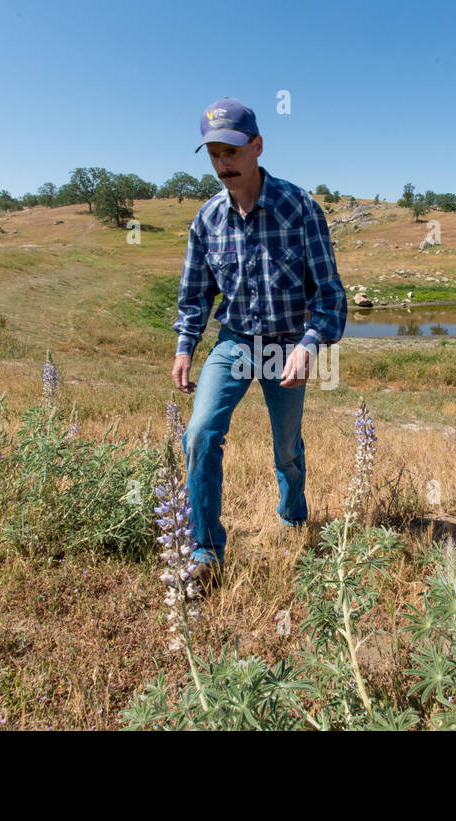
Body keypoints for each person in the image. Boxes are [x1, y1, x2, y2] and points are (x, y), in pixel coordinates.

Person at [171, 96, 347, 595]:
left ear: (257, 146)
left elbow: (330, 293)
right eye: (213, 154)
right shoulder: (207, 220)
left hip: (287, 342)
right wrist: (186, 344)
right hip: (234, 343)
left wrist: (310, 343)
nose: (223, 164)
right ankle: (205, 551)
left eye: (231, 151)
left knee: (286, 447)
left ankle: (293, 518)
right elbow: (195, 294)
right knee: (200, 434)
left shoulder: (299, 207)